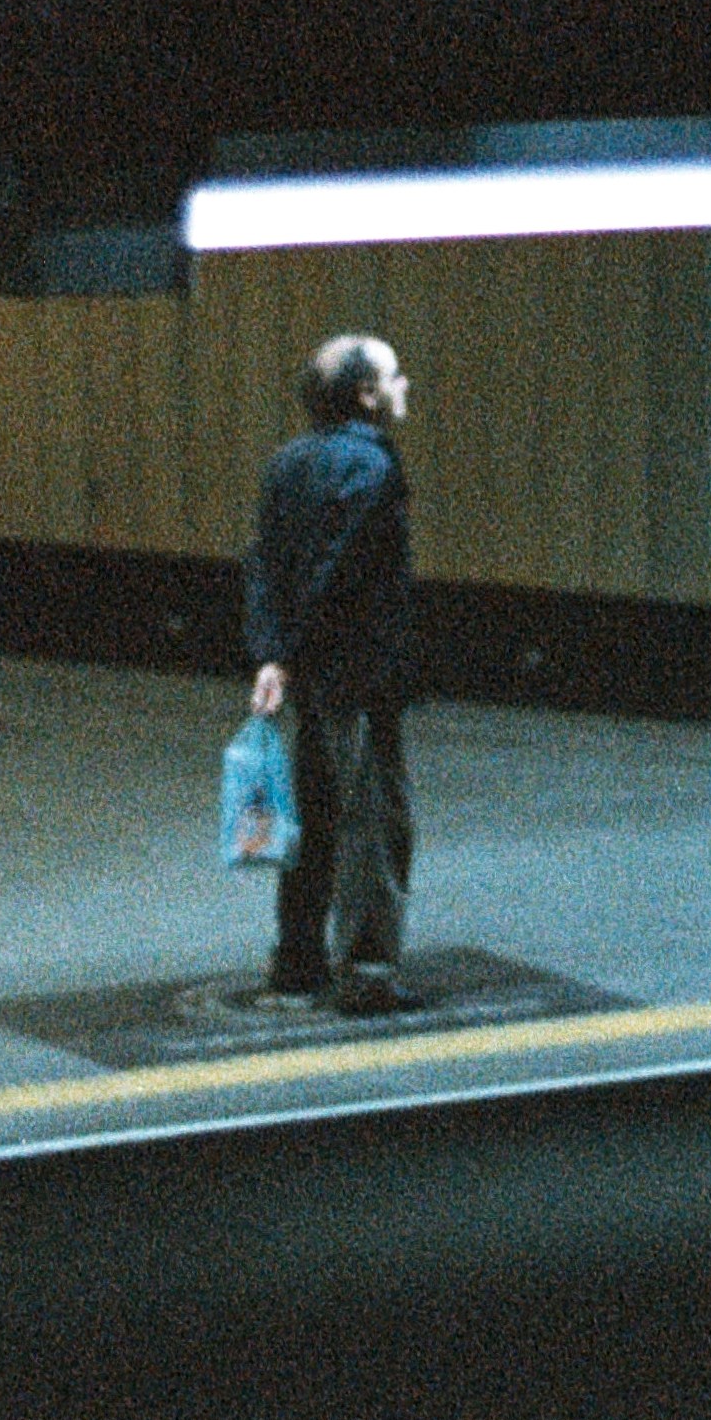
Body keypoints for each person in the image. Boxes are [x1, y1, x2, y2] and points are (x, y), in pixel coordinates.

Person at [244, 333, 419, 1011]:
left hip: (311, 673)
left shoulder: (286, 463)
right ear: (366, 394)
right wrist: (292, 648)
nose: (404, 386)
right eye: (394, 377)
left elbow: (265, 563)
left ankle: (296, 956)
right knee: (375, 818)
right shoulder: (372, 469)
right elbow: (333, 571)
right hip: (360, 672)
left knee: (312, 814)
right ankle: (368, 969)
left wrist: (273, 655)